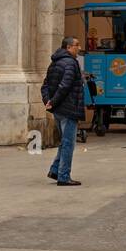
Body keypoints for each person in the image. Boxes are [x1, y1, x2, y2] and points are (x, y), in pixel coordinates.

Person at [42, 36, 83, 186]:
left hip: (58, 110)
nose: (79, 48)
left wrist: (48, 101)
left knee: (64, 141)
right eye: (76, 45)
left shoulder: (54, 63)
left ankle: (54, 170)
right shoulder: (71, 64)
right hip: (69, 108)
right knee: (68, 143)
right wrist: (52, 101)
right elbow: (65, 86)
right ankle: (64, 176)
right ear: (68, 47)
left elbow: (45, 85)